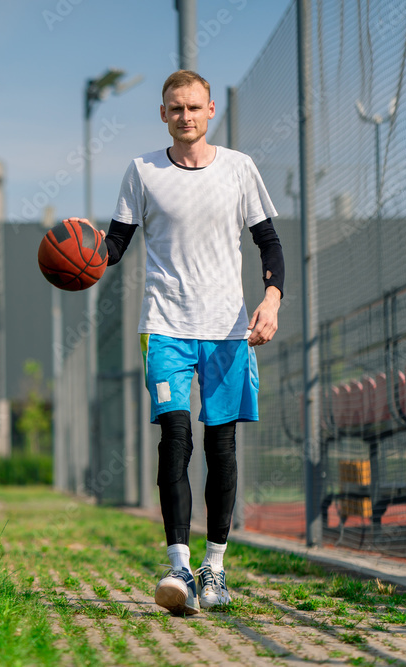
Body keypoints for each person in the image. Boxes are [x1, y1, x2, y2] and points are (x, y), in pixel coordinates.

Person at [65, 70, 283, 615]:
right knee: (175, 437)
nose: (185, 116)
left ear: (210, 110)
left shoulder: (239, 169)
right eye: (175, 108)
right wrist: (84, 251)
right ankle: (179, 567)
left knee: (221, 445)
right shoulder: (142, 171)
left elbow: (269, 242)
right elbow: (115, 243)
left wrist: (272, 299)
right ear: (163, 114)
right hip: (164, 326)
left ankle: (216, 569)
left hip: (228, 330)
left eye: (193, 107)